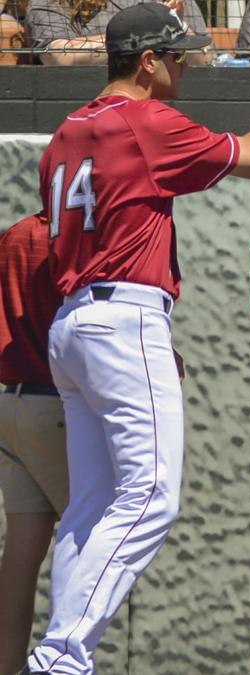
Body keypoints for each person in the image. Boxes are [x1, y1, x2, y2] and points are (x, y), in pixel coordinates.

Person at [25, 5, 250, 672]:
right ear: (145, 61)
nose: (184, 63)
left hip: (73, 323)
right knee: (152, 494)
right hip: (122, 313)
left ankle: (67, 655)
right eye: (175, 54)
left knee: (92, 508)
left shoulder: (67, 131)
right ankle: (62, 653)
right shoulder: (146, 120)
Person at [0, 212, 67, 675]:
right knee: (91, 545)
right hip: (58, 407)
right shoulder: (78, 239)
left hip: (11, 405)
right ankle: (64, 665)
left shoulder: (14, 235)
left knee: (20, 559)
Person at [24, 0, 211, 65]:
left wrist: (180, 27)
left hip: (166, 105)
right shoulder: (51, 2)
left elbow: (206, 59)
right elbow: (58, 56)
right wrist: (144, 30)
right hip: (95, 106)